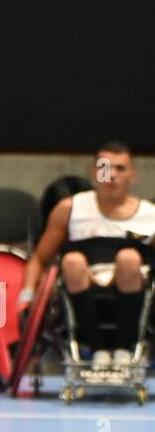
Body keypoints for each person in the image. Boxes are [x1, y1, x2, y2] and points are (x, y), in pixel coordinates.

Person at [23, 141, 155, 368]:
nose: (111, 175)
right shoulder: (70, 208)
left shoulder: (148, 214)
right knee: (72, 261)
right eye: (104, 167)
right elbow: (39, 258)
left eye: (120, 169)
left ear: (132, 175)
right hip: (83, 281)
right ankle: (96, 349)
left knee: (128, 258)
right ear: (94, 172)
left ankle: (126, 348)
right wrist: (26, 295)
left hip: (132, 283)